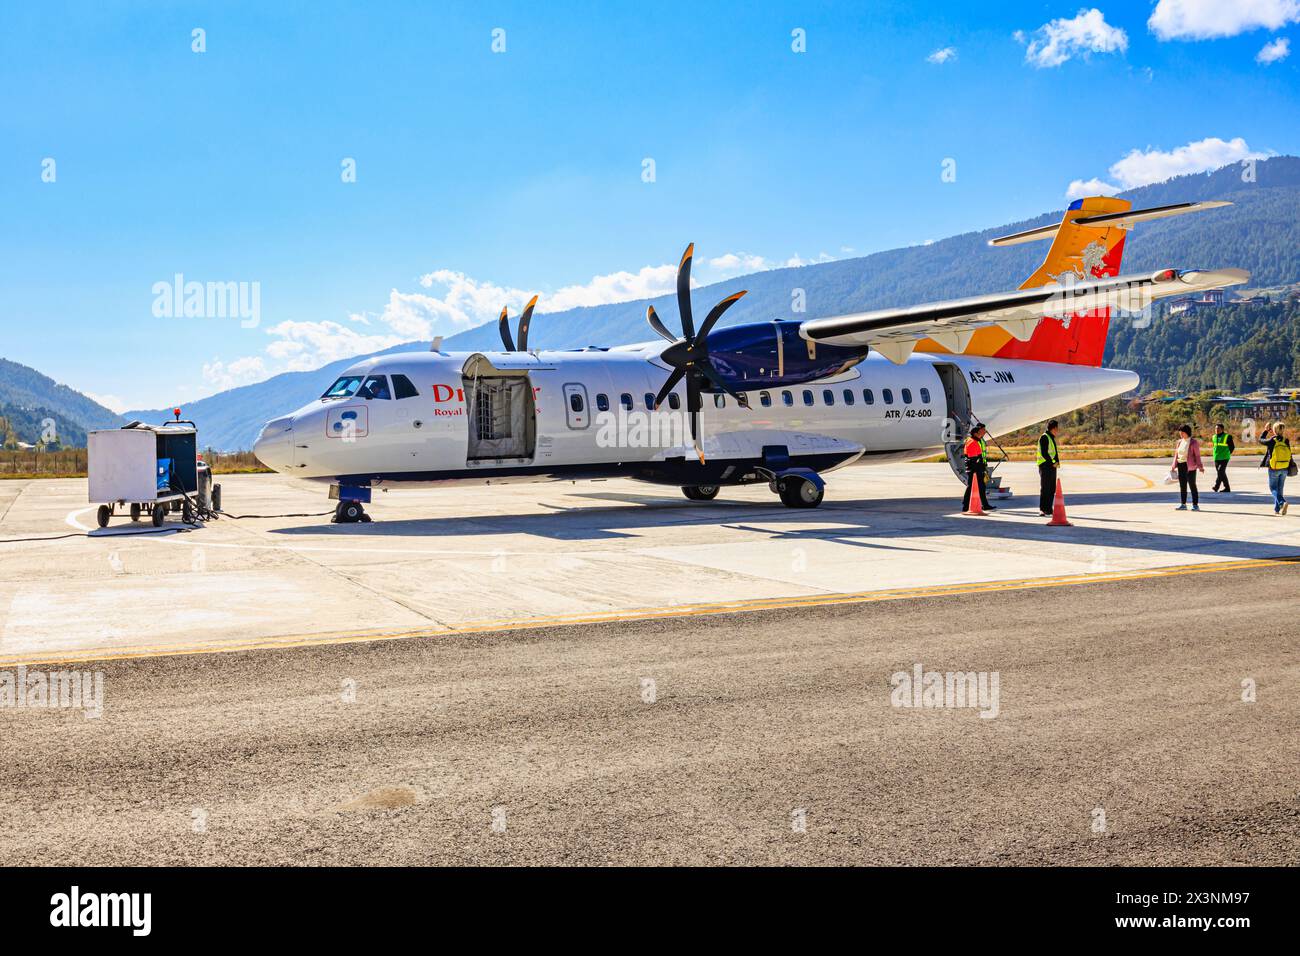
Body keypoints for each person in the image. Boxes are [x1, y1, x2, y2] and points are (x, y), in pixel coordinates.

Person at [1258, 422, 1292, 515]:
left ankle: (1282, 502)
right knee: (1280, 489)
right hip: (1284, 467)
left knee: (1273, 488)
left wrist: (1265, 431)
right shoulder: (1286, 440)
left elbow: (1260, 440)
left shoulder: (1272, 441)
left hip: (1274, 467)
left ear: (1274, 430)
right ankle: (1277, 509)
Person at [962, 424, 994, 512]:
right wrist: (979, 467)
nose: (983, 433)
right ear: (975, 433)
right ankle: (965, 505)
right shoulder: (972, 442)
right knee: (971, 487)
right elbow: (973, 459)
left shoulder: (976, 441)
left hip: (977, 467)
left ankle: (984, 504)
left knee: (981, 487)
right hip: (974, 469)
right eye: (981, 432)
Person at [1172, 423, 1204, 511]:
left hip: (1190, 466)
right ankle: (1183, 504)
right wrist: (1173, 466)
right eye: (1180, 432)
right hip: (1181, 465)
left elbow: (1197, 456)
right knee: (1182, 486)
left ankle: (1195, 505)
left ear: (1187, 432)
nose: (1180, 434)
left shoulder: (1193, 442)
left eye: (1182, 432)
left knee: (1192, 485)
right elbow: (1176, 455)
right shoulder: (1179, 442)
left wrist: (1200, 466)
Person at [1037, 419, 1061, 516]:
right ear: (1053, 428)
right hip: (1045, 466)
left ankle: (1048, 508)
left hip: (1051, 466)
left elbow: (1053, 453)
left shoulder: (1051, 437)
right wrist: (1052, 463)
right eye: (1057, 429)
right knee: (1045, 488)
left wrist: (1056, 462)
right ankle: (1043, 509)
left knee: (1051, 488)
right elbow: (1044, 453)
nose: (1057, 431)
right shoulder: (1044, 437)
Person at [1210, 423, 1235, 493]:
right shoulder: (1213, 437)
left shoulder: (1228, 437)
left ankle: (1216, 486)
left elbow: (1232, 447)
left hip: (1224, 458)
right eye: (1215, 428)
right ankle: (1227, 488)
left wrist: (1227, 453)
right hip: (1216, 457)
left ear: (1222, 429)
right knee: (1221, 473)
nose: (1216, 430)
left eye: (1218, 429)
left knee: (1220, 471)